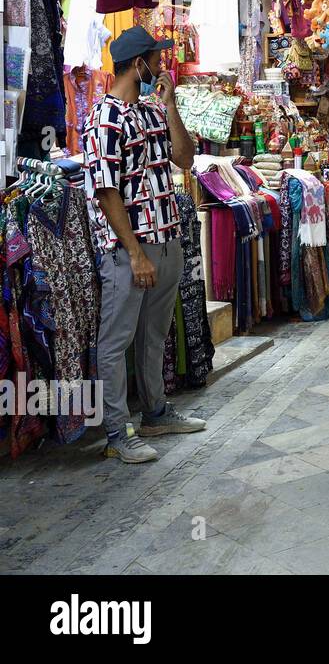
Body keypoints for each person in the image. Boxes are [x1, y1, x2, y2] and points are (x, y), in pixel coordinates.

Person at [85, 26, 205, 463]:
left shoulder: (153, 112)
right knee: (116, 340)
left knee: (155, 333)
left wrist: (170, 105)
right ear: (137, 64)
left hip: (167, 237)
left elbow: (185, 158)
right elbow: (106, 190)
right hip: (128, 250)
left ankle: (155, 411)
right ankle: (118, 433)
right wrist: (134, 253)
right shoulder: (103, 118)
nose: (161, 65)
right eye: (155, 59)